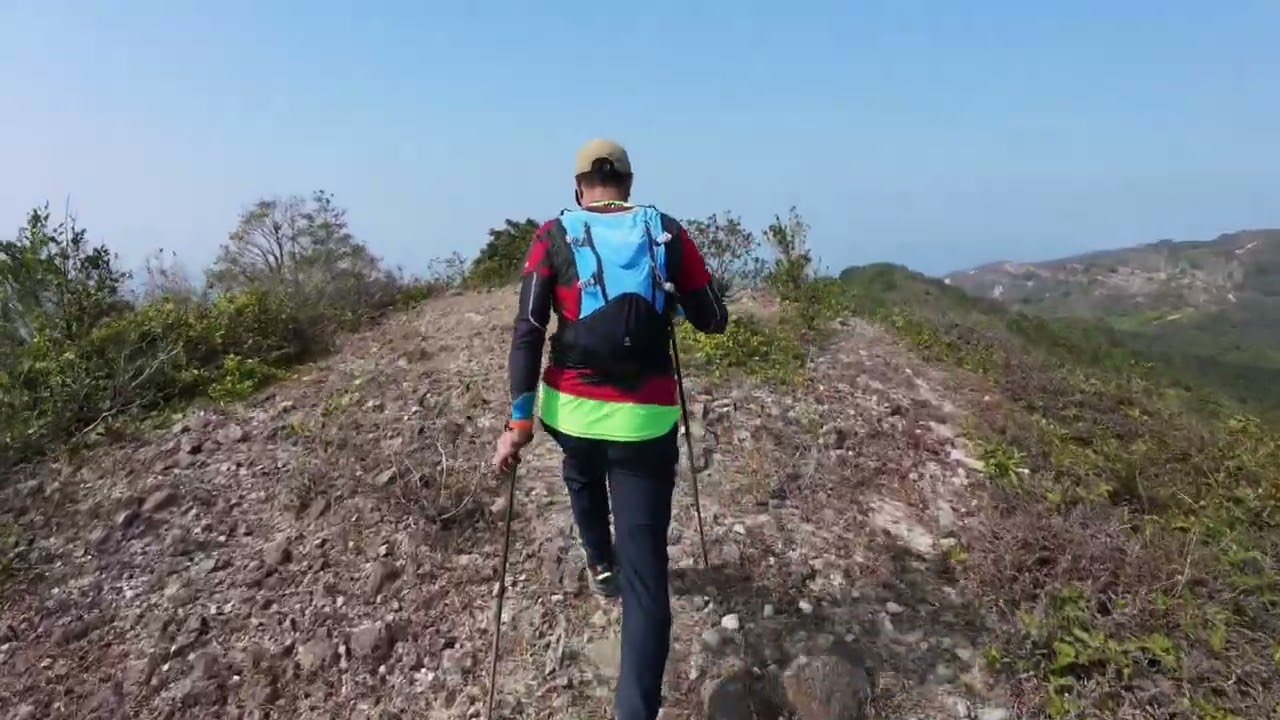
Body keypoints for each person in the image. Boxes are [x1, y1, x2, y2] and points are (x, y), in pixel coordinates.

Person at [491, 138, 729, 720]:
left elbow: (528, 330)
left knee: (579, 468)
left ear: (578, 189)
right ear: (629, 183)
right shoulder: (664, 231)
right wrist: (675, 300)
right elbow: (714, 320)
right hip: (645, 421)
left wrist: (519, 421)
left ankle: (599, 561)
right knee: (647, 582)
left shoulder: (551, 236)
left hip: (571, 410)